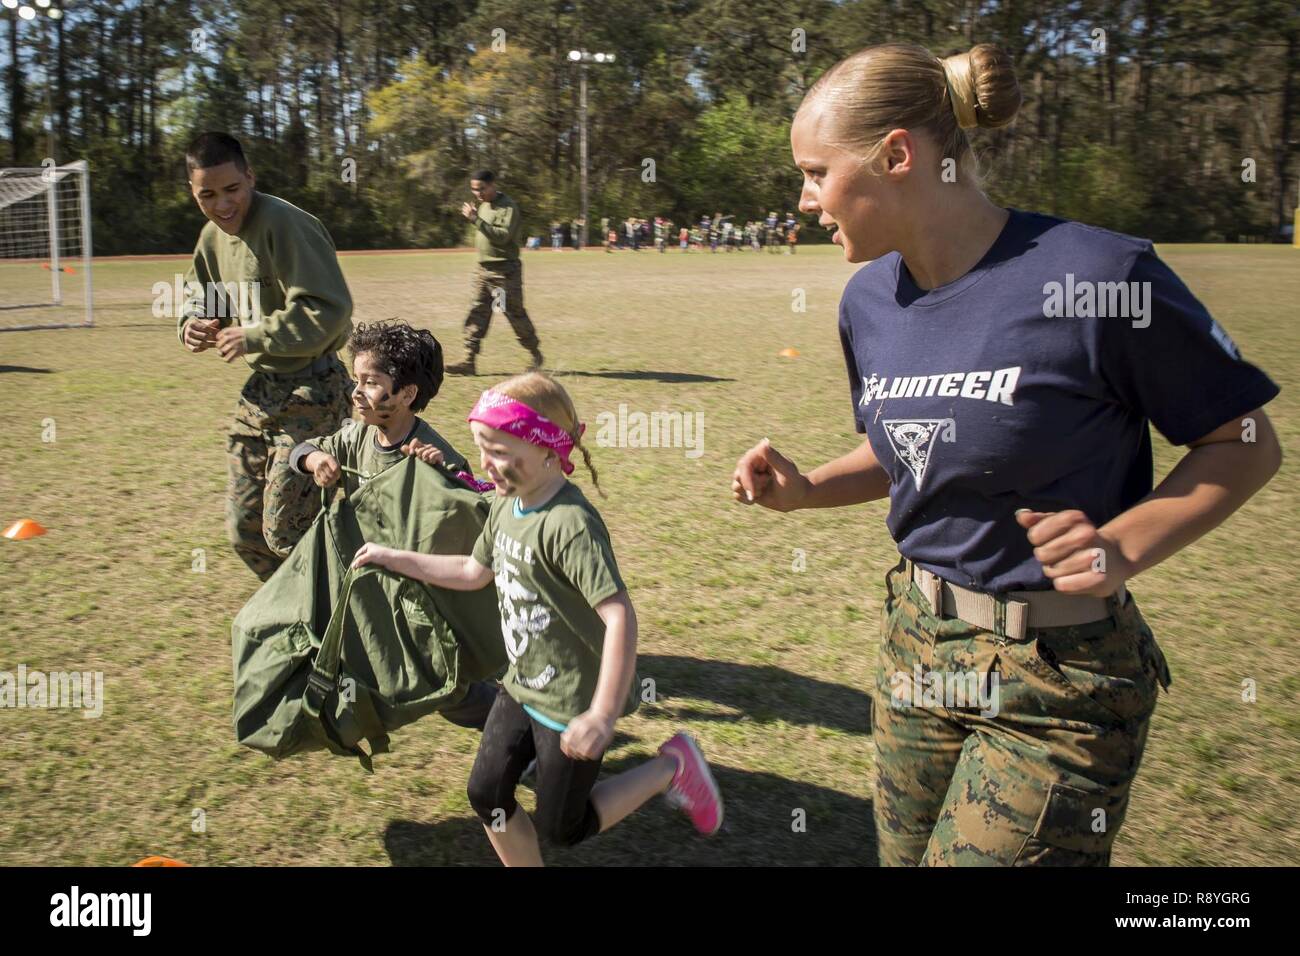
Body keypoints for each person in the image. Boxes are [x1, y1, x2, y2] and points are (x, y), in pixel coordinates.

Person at [732, 41, 1282, 866]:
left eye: (815, 172)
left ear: (896, 155)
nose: (805, 200)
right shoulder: (868, 301)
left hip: (1060, 684)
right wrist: (806, 490)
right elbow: (912, 450)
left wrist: (1121, 546)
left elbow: (1244, 442)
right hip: (919, 655)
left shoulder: (1101, 273)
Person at [352, 373, 724, 863]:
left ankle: (670, 767)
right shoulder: (508, 504)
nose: (487, 463)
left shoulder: (571, 525)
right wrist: (392, 556)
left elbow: (620, 618)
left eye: (501, 451)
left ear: (548, 448)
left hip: (571, 702)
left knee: (562, 827)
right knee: (487, 796)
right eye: (482, 448)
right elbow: (471, 570)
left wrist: (602, 715)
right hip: (520, 686)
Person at [177, 131, 355, 582]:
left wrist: (255, 336)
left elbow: (329, 310)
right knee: (244, 530)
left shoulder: (285, 224)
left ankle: (336, 617)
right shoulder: (210, 239)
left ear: (250, 178)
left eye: (232, 190)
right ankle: (295, 618)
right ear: (193, 193)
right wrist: (192, 323)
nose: (222, 206)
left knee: (286, 531)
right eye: (208, 195)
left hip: (313, 391)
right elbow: (204, 299)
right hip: (260, 394)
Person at [445, 170, 544, 377]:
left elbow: (502, 237)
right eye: (474, 189)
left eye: (482, 188)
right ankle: (468, 360)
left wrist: (475, 220)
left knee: (514, 313)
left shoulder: (508, 207)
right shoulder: (483, 206)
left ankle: (535, 354)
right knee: (477, 312)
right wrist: (477, 217)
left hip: (505, 272)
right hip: (483, 270)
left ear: (493, 185)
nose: (478, 193)